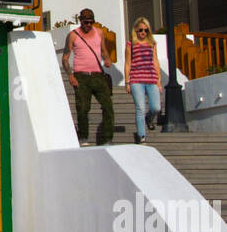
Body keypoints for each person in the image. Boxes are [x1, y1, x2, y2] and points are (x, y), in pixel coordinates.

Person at [63, 8, 113, 146]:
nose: (88, 25)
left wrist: (107, 59)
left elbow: (103, 50)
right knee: (83, 108)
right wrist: (70, 76)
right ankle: (83, 137)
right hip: (81, 76)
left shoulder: (100, 33)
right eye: (86, 22)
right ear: (81, 21)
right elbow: (65, 58)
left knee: (108, 106)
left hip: (97, 75)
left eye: (91, 22)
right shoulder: (73, 35)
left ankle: (107, 138)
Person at [123, 16, 162, 143]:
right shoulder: (130, 44)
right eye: (140, 30)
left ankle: (149, 119)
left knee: (156, 107)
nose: (143, 33)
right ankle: (141, 135)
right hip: (136, 79)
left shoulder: (152, 43)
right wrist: (127, 82)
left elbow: (155, 61)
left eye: (146, 30)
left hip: (151, 78)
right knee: (140, 108)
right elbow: (128, 63)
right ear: (135, 30)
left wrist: (159, 80)